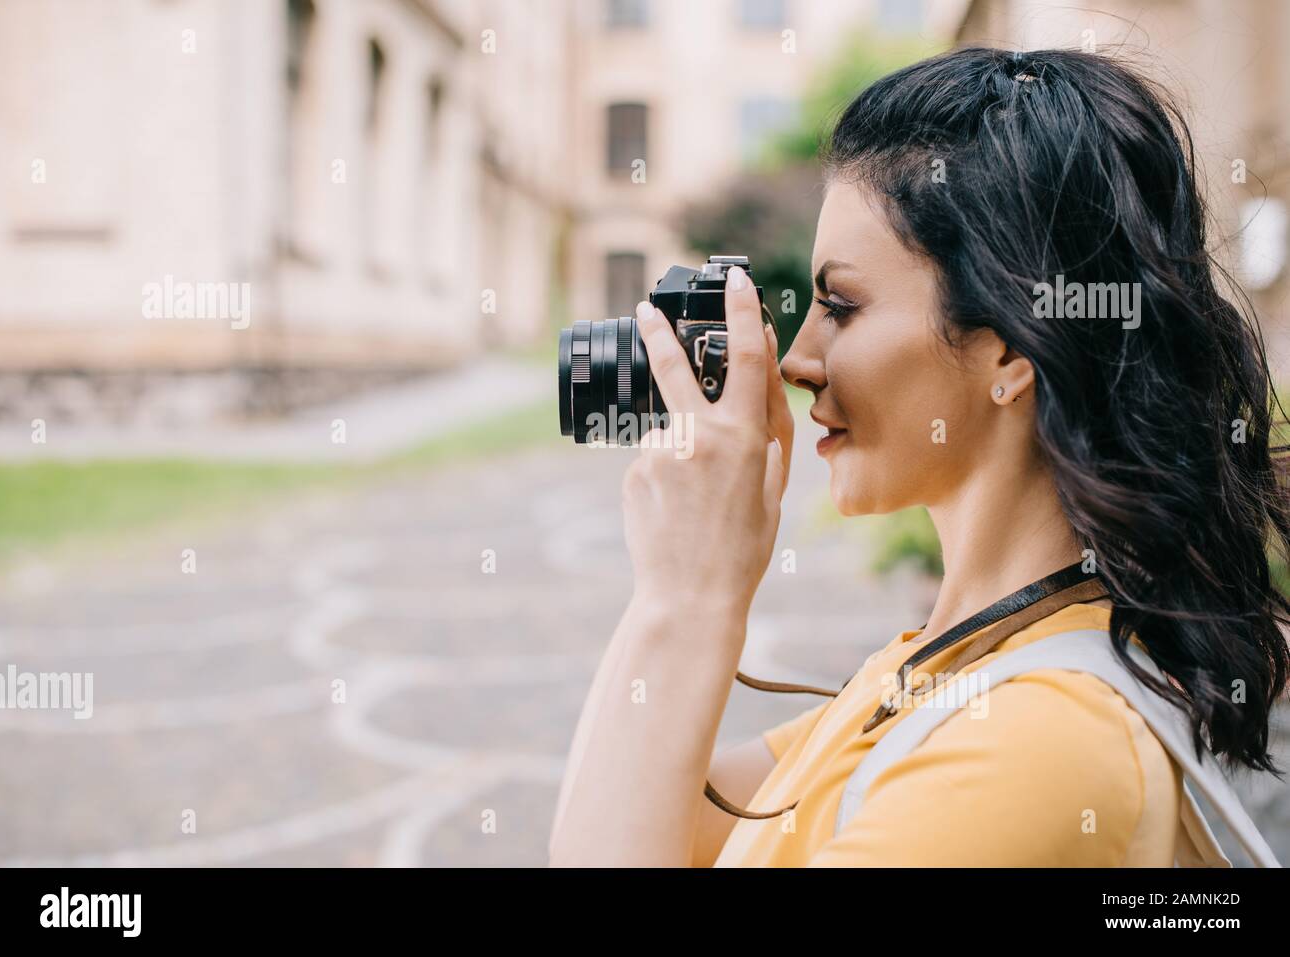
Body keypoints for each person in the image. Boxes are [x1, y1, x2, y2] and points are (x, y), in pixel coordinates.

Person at [547, 47, 1290, 867]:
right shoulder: (938, 667)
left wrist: (685, 600)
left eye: (840, 305)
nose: (796, 360)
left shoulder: (1040, 743)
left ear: (1010, 347)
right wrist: (678, 581)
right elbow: (639, 813)